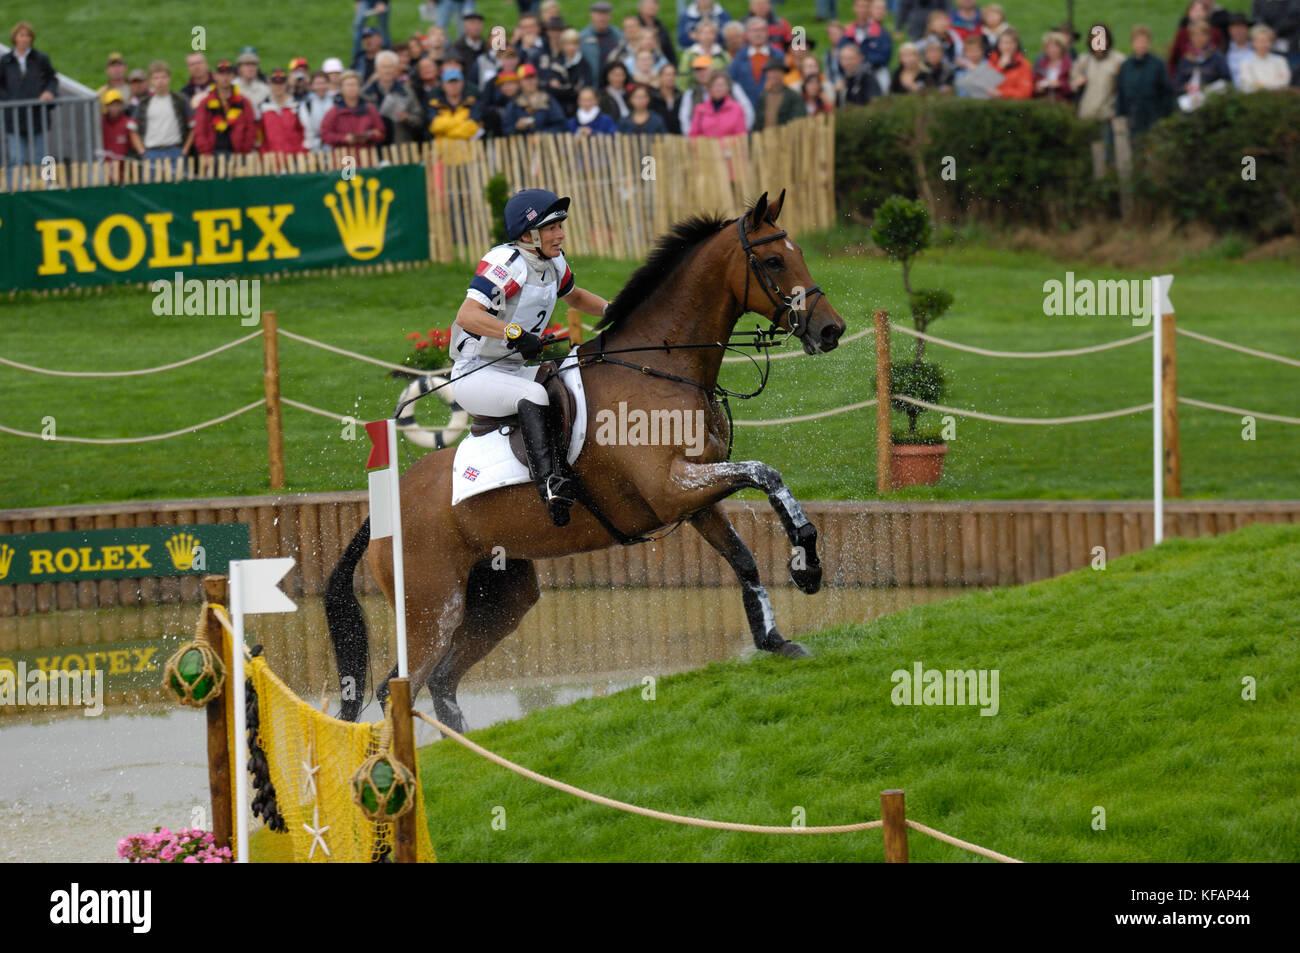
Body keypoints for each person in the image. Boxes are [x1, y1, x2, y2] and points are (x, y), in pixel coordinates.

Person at [451, 189, 610, 526]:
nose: (560, 234)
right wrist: (514, 334)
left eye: (560, 226)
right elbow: (467, 315)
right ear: (528, 234)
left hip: (510, 369)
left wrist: (616, 311)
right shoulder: (507, 264)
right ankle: (550, 485)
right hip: (474, 374)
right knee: (535, 394)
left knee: (569, 378)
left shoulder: (554, 262)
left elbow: (576, 296)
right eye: (551, 228)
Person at [1, 21, 58, 179]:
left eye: (28, 35)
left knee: (41, 156)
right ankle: (16, 190)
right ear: (15, 38)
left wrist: (49, 92)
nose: (24, 39)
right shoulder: (5, 61)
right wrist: (10, 100)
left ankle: (44, 186)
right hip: (14, 117)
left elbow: (52, 79)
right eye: (21, 35)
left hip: (37, 115)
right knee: (16, 157)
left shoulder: (40, 59)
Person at [1117, 25, 1174, 136]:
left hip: (1153, 118)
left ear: (1149, 43)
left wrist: (1161, 116)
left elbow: (1167, 92)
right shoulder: (1126, 66)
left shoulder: (1158, 64)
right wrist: (1121, 116)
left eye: (1144, 42)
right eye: (1138, 41)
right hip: (1132, 119)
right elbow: (1121, 93)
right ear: (1132, 43)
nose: (1141, 45)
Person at [193, 60, 256, 155]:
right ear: (215, 76)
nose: (225, 78)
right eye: (221, 74)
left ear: (233, 76)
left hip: (238, 154)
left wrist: (245, 151)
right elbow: (200, 130)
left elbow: (250, 128)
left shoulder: (244, 102)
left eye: (228, 74)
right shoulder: (205, 103)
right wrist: (205, 152)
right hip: (212, 154)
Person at [137, 61, 193, 162]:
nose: (160, 81)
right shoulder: (144, 103)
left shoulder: (180, 100)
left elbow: (193, 126)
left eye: (163, 77)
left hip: (175, 151)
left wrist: (185, 150)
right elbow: (132, 129)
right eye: (156, 78)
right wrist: (142, 151)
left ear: (169, 79)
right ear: (150, 81)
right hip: (151, 152)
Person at [321, 70, 385, 153]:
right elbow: (325, 135)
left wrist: (369, 136)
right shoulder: (333, 112)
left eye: (354, 85)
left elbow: (381, 132)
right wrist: (344, 138)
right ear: (341, 88)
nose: (351, 88)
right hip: (343, 160)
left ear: (359, 87)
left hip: (367, 158)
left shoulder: (370, 109)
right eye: (348, 85)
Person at [1071, 24, 1124, 122]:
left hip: (1109, 116)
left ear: (1108, 40)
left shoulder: (1118, 61)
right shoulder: (1083, 61)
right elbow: (1072, 84)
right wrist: (1076, 83)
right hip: (1086, 115)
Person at [1172, 20, 1232, 106]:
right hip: (1189, 104)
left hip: (1212, 103)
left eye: (1202, 34)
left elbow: (1227, 82)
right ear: (1190, 37)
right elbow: (1176, 85)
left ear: (1209, 36)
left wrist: (1207, 88)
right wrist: (1185, 88)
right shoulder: (1185, 60)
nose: (1198, 38)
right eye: (1195, 35)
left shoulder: (1217, 58)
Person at [729, 17, 785, 106]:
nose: (758, 34)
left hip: (773, 105)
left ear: (767, 33)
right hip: (745, 106)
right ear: (747, 34)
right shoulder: (739, 56)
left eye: (761, 30)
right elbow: (731, 79)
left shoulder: (778, 55)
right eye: (754, 31)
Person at [541, 28, 593, 117]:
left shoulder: (584, 64)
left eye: (574, 44)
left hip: (578, 108)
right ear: (562, 45)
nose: (571, 47)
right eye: (567, 44)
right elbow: (552, 89)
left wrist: (563, 87)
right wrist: (571, 88)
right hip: (558, 107)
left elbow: (582, 87)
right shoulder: (556, 62)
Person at [362, 50, 411, 144]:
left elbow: (419, 117)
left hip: (400, 146)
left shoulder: (407, 91)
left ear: (396, 69)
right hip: (373, 146)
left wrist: (407, 118)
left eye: (391, 67)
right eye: (384, 67)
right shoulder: (365, 93)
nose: (387, 71)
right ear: (377, 69)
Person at [505, 63, 568, 133]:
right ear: (520, 82)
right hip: (522, 142)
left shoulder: (548, 100)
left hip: (546, 142)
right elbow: (506, 130)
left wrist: (543, 134)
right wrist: (517, 127)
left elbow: (561, 125)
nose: (530, 82)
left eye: (532, 78)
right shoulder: (514, 104)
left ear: (537, 79)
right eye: (526, 79)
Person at [1168, 1, 1226, 77]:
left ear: (1206, 13)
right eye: (1195, 11)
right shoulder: (1182, 33)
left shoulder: (1215, 33)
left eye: (1201, 11)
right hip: (1186, 74)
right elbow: (1174, 58)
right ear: (1188, 13)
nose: (1198, 14)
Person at [259, 69, 307, 154]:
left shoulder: (296, 106)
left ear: (286, 85)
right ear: (270, 85)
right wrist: (263, 153)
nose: (278, 87)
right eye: (275, 84)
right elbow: (259, 134)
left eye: (281, 84)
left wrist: (302, 150)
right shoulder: (263, 108)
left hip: (294, 158)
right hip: (272, 159)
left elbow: (307, 131)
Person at [428, 65, 483, 140]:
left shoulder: (472, 103)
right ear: (443, 85)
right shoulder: (434, 104)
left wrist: (446, 131)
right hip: (442, 151)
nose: (453, 86)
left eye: (456, 82)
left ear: (462, 83)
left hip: (467, 150)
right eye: (449, 82)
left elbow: (472, 128)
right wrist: (462, 123)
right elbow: (435, 126)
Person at [689, 69, 747, 136]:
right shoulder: (700, 109)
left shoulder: (737, 109)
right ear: (709, 88)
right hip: (705, 146)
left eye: (721, 85)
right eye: (714, 85)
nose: (718, 89)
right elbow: (693, 135)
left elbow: (741, 135)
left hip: (730, 146)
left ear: (727, 87)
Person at [1237, 22, 1293, 90]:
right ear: (1253, 42)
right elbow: (1249, 85)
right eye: (1260, 41)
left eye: (1266, 41)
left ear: (1271, 42)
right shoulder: (1245, 63)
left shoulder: (1281, 60)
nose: (1263, 44)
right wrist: (1275, 83)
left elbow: (1285, 82)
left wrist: (1261, 84)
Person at [1253, 0, 1300, 76]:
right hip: (1266, 46)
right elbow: (1256, 17)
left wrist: (1275, 31)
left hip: (1290, 46)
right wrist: (1266, 32)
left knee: (1292, 76)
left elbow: (1294, 16)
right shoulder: (1259, 2)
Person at [581, 2, 625, 80]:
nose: (602, 18)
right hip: (593, 83)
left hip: (613, 84)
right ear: (592, 16)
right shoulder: (583, 38)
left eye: (605, 14)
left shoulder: (618, 35)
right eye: (599, 15)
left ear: (610, 16)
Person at [753, 60, 802, 127]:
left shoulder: (793, 96)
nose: (773, 75)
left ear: (783, 73)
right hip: (765, 135)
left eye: (776, 72)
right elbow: (758, 122)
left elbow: (797, 120)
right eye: (770, 72)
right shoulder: (763, 96)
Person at [678, 20, 728, 84]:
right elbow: (683, 78)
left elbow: (729, 75)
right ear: (698, 35)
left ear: (715, 36)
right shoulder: (689, 55)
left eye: (710, 33)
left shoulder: (723, 55)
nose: (707, 36)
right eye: (704, 33)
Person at [987, 28, 1033, 98]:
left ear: (1017, 45)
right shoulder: (991, 62)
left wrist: (1002, 93)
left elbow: (1025, 92)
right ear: (998, 45)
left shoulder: (1024, 64)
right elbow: (986, 85)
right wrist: (1000, 67)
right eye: (1005, 43)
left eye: (1012, 43)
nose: (1008, 46)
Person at [836, 39, 882, 104]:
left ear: (860, 58)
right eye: (843, 58)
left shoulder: (867, 77)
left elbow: (873, 102)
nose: (846, 62)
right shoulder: (845, 77)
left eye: (850, 58)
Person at [100, 90, 143, 161]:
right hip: (105, 166)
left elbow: (137, 143)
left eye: (117, 104)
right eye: (111, 105)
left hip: (125, 167)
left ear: (122, 105)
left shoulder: (129, 123)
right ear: (106, 107)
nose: (114, 108)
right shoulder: (101, 123)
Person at [1033, 31, 1074, 101]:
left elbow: (1072, 86)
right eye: (1049, 47)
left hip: (1063, 102)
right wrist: (1038, 87)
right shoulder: (1040, 64)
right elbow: (1034, 84)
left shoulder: (1068, 64)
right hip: (1044, 101)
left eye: (1056, 47)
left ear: (1062, 48)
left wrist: (1060, 84)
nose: (1052, 50)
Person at [300, 71, 335, 150]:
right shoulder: (306, 103)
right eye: (317, 84)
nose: (321, 87)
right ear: (312, 86)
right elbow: (307, 127)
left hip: (332, 144)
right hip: (313, 145)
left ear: (328, 84)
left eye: (323, 83)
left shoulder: (335, 101)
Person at [451, 13, 489, 87]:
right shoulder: (457, 47)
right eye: (472, 24)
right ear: (465, 26)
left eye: (478, 24)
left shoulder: (487, 46)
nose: (475, 27)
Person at [638, 0, 678, 65]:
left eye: (654, 4)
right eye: (649, 4)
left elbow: (670, 53)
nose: (652, 6)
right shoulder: (635, 26)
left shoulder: (662, 29)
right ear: (640, 8)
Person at [1224, 12, 1255, 85]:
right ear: (1230, 30)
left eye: (1242, 27)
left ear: (1247, 29)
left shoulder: (1257, 47)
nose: (1239, 31)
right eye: (1235, 28)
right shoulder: (1223, 51)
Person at [653, 62, 684, 131]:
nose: (671, 77)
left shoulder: (681, 96)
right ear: (660, 76)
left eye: (673, 75)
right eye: (667, 75)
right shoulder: (653, 97)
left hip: (678, 137)